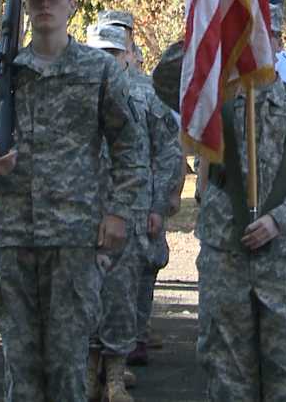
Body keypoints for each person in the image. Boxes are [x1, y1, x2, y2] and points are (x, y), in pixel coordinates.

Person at [0, 0, 146, 401]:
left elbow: (130, 148)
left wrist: (119, 212)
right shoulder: (3, 75)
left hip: (73, 239)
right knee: (21, 369)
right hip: (12, 239)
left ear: (71, 5)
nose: (45, 5)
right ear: (24, 7)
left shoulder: (99, 71)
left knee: (67, 364)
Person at [147, 35, 286, 400]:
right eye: (246, 33)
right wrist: (214, 25)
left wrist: (281, 218)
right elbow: (167, 79)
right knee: (227, 375)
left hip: (285, 266)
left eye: (267, 36)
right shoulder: (212, 102)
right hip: (226, 258)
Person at [85, 22, 183, 402]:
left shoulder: (145, 97)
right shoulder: (76, 91)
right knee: (83, 294)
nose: (106, 60)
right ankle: (87, 370)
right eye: (98, 54)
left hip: (131, 211)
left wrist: (159, 204)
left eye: (112, 53)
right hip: (82, 211)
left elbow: (168, 152)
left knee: (123, 295)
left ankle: (114, 375)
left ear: (127, 55)